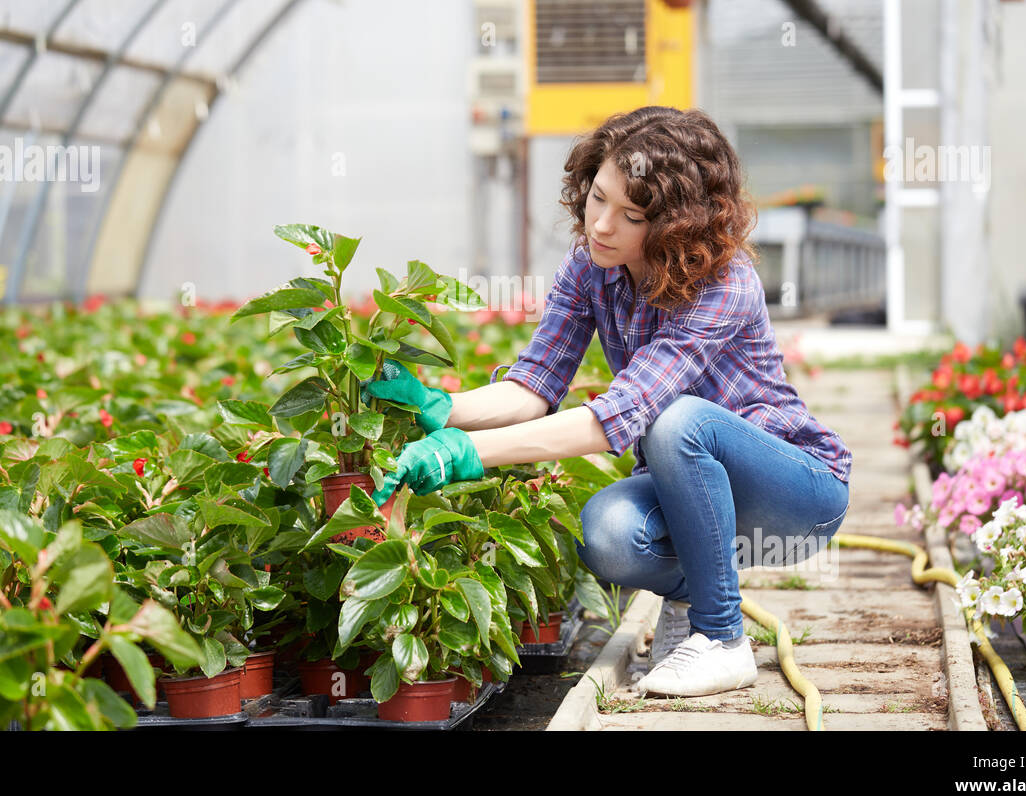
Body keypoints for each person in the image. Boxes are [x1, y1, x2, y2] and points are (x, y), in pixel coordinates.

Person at [365, 106, 852, 698]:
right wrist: (443, 408)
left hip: (797, 491)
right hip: (693, 488)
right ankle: (693, 600)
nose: (600, 225)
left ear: (677, 225)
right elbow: (535, 385)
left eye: (631, 215)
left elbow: (621, 414)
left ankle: (723, 639)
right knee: (607, 534)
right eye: (598, 197)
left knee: (678, 422)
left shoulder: (724, 282)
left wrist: (464, 452)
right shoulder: (591, 268)